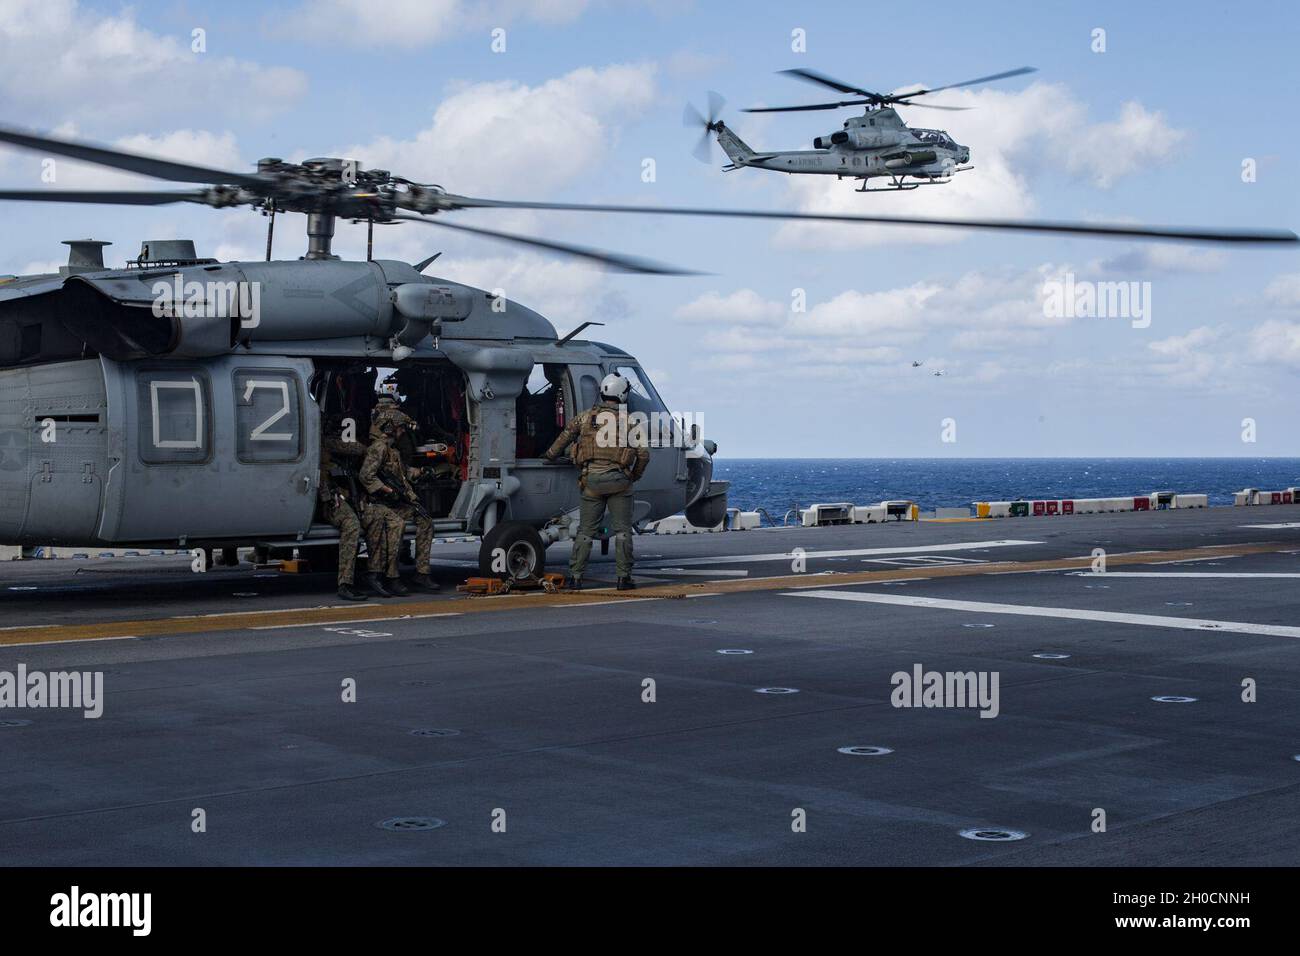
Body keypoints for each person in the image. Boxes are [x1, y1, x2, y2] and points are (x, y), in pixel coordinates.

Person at [543, 373, 649, 590]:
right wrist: (634, 476)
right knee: (622, 531)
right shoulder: (630, 421)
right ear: (622, 395)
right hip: (620, 483)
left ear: (603, 392)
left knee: (585, 531)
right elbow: (644, 454)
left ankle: (576, 577)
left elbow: (565, 436)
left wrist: (550, 455)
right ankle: (623, 578)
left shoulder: (585, 417)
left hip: (591, 482)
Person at [359, 405, 440, 595]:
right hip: (382, 503)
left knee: (425, 521)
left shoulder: (392, 450)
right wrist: (386, 489)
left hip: (397, 502)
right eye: (400, 427)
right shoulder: (378, 449)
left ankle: (422, 572)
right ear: (390, 427)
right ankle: (392, 576)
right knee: (398, 526)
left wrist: (420, 473)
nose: (403, 431)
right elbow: (366, 476)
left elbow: (402, 474)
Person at [318, 421, 368, 601]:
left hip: (324, 498)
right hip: (326, 501)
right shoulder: (323, 441)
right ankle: (345, 583)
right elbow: (357, 449)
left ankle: (375, 574)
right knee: (352, 525)